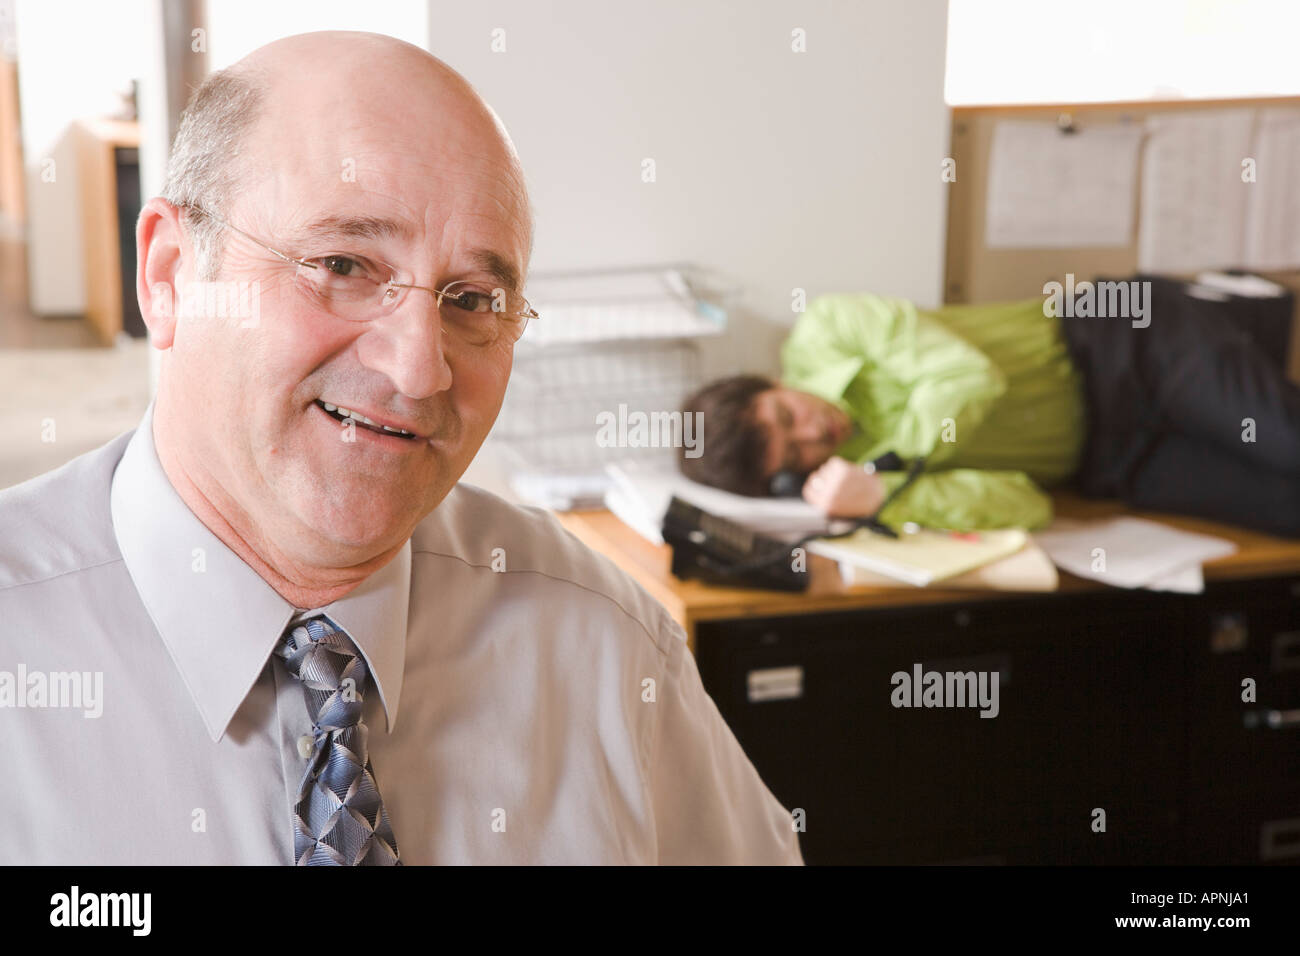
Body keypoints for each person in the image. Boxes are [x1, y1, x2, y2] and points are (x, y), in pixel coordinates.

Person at [0, 31, 802, 865]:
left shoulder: (611, 648)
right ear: (170, 276)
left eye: (472, 300)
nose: (420, 369)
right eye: (343, 263)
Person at [679, 290, 1300, 538]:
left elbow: (970, 377)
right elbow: (1025, 504)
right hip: (1112, 460)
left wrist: (892, 465)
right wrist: (884, 497)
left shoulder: (829, 328)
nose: (814, 432)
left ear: (771, 382)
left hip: (1129, 347)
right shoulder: (862, 485)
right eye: (795, 457)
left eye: (787, 415)